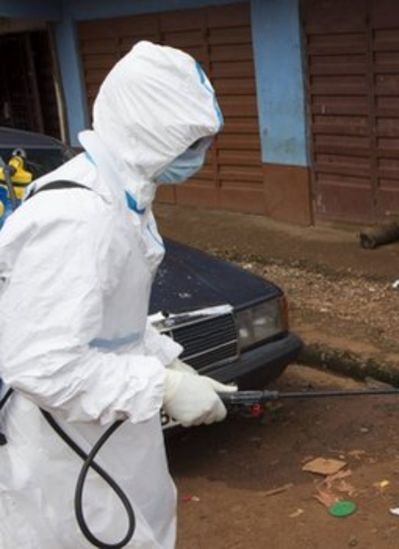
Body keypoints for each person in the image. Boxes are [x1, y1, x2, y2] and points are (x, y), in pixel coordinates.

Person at [0, 41, 236, 548]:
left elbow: (112, 325)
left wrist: (169, 363)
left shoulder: (121, 195)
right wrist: (162, 389)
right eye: (192, 141)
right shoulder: (77, 220)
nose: (202, 155)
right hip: (61, 447)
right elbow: (42, 365)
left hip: (107, 429)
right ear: (150, 133)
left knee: (140, 522)